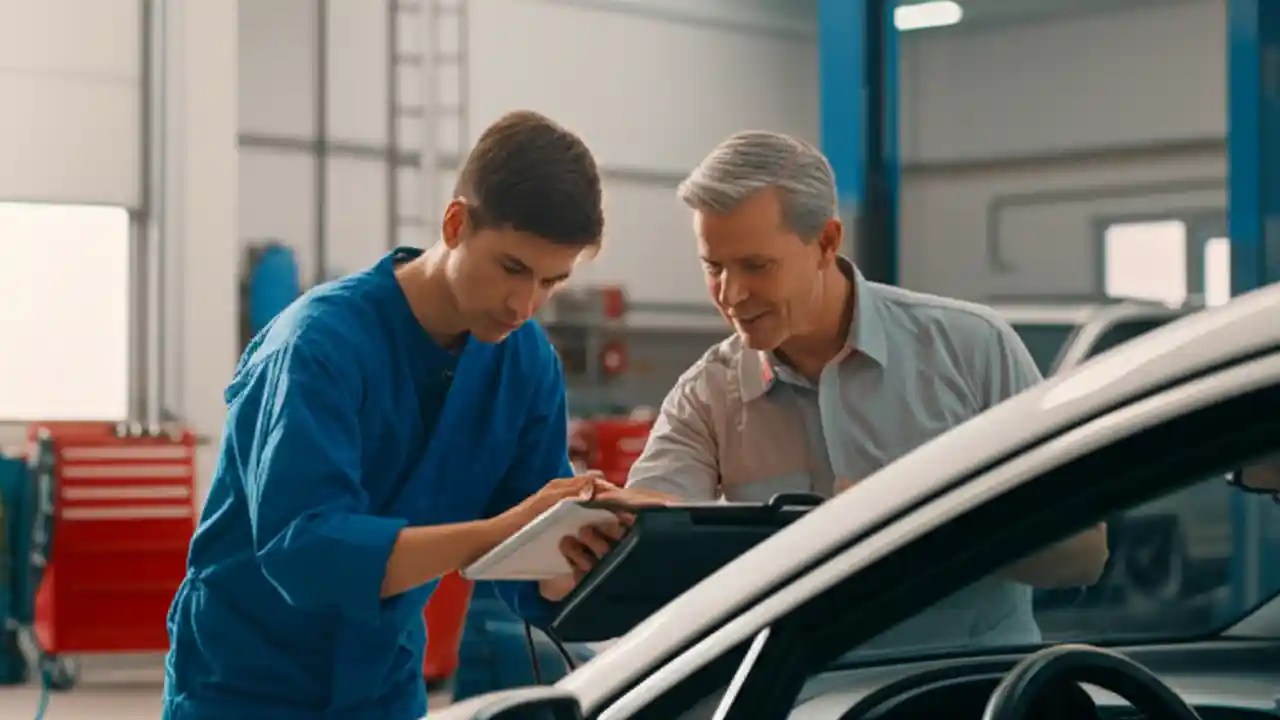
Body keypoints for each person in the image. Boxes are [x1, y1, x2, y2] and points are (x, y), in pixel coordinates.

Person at [560, 130, 1109, 651]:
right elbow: (652, 538)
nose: (731, 294)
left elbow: (1082, 553)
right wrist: (610, 531)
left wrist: (919, 521)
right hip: (808, 696)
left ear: (826, 242)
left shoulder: (971, 350)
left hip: (966, 688)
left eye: (756, 266)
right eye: (714, 267)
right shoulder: (707, 397)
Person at [162, 110, 625, 719]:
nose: (524, 304)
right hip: (246, 686)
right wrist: (500, 531)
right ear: (455, 223)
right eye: (512, 268)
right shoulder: (316, 346)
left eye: (550, 282)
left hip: (383, 687)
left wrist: (599, 542)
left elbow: (529, 550)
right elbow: (306, 552)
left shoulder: (525, 364)